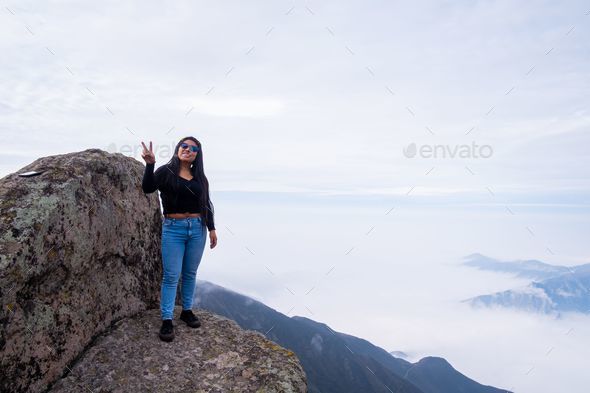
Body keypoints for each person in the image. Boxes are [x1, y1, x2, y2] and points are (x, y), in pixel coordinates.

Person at [140, 137, 218, 342]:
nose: (188, 150)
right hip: (173, 229)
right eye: (185, 146)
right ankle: (167, 319)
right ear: (177, 149)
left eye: (193, 148)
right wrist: (150, 165)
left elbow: (206, 204)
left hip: (198, 228)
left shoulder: (200, 177)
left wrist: (212, 228)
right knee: (171, 276)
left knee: (190, 273)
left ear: (197, 155)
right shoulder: (166, 172)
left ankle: (187, 310)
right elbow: (148, 188)